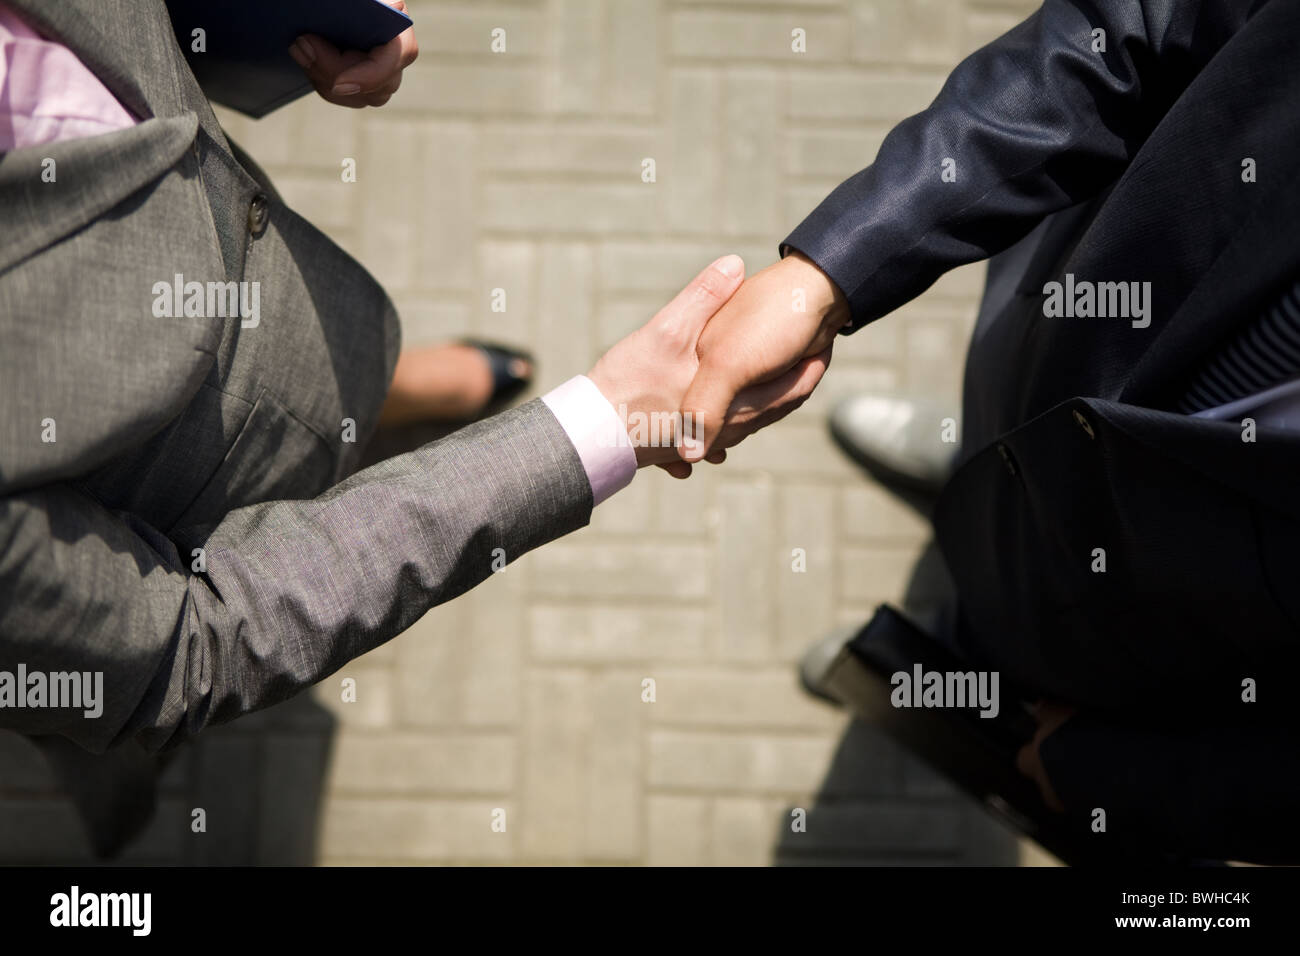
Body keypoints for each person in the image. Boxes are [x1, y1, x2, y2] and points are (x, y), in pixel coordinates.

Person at [0, 0, 826, 766]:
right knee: (108, 719)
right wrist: (598, 422)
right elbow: (188, 645)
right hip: (184, 495)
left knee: (343, 361)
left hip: (275, 293)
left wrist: (290, 17)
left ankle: (395, 387)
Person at [675, 0, 1300, 862]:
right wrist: (832, 270)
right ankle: (972, 466)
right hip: (1078, 327)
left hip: (1169, 629)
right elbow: (1133, 26)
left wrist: (1113, 773)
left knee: (1012, 659)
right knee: (1005, 429)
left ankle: (922, 670)